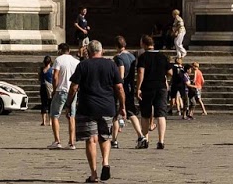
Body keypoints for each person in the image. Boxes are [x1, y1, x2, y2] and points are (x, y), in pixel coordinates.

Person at [70, 40, 123, 184]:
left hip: (88, 107)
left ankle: (93, 174)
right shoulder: (111, 65)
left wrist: (69, 104)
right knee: (105, 137)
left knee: (91, 139)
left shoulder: (83, 65)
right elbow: (119, 87)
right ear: (102, 50)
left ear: (88, 51)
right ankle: (105, 162)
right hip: (107, 107)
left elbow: (74, 87)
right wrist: (122, 105)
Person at [133, 34, 171, 150]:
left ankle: (145, 139)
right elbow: (170, 73)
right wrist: (165, 79)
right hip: (161, 87)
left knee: (145, 114)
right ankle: (161, 141)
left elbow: (140, 72)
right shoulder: (163, 56)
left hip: (147, 87)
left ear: (143, 44)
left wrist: (138, 87)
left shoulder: (143, 57)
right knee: (161, 115)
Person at [49, 42, 79, 149]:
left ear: (60, 50)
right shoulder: (76, 61)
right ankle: (71, 142)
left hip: (61, 89)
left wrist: (54, 88)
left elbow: (55, 76)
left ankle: (57, 141)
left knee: (54, 115)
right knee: (71, 116)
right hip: (72, 91)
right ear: (69, 50)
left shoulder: (59, 60)